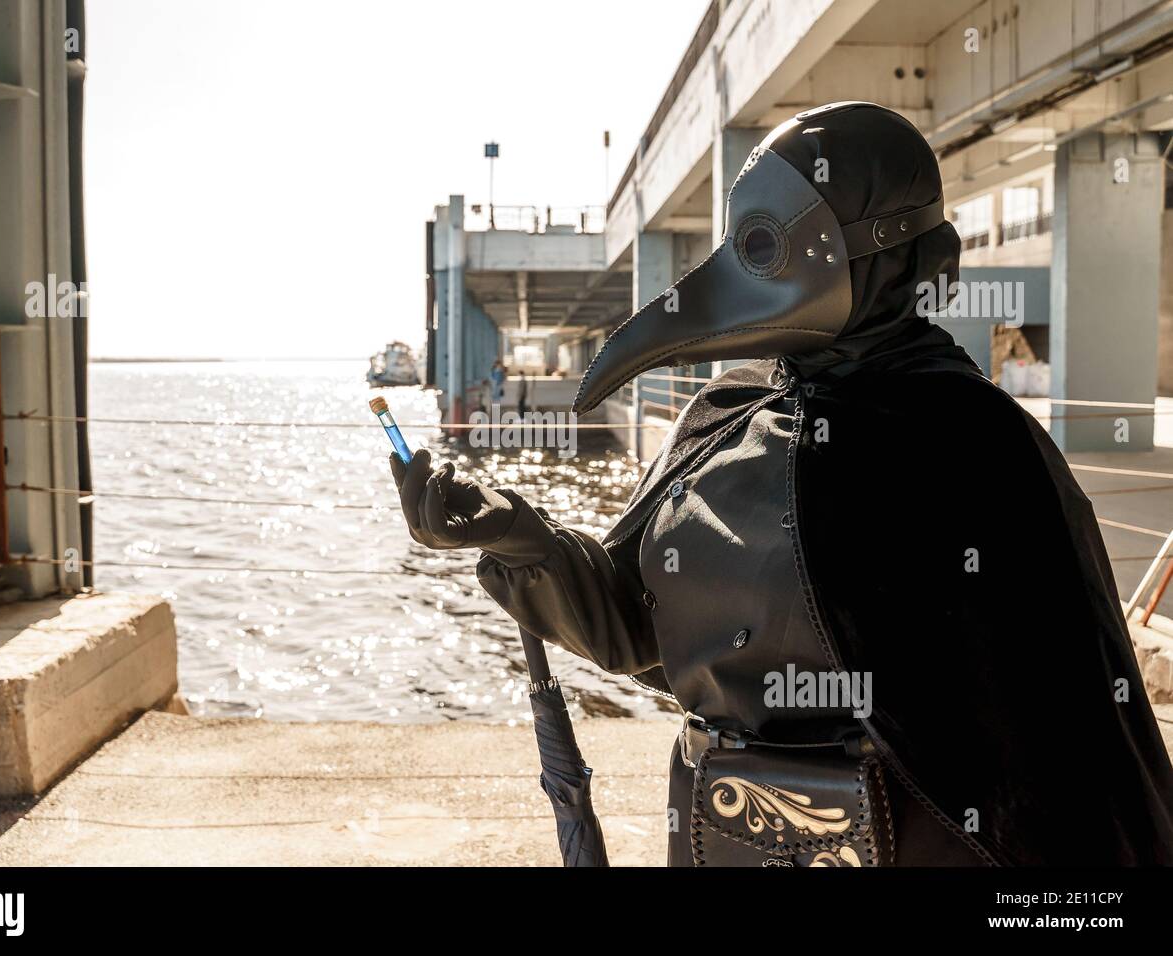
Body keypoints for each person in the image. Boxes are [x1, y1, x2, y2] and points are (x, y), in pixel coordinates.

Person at [389, 102, 1173, 866]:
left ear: (888, 258)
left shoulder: (980, 448)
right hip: (720, 833)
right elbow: (631, 622)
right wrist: (521, 540)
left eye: (765, 246)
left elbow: (1077, 751)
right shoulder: (727, 414)